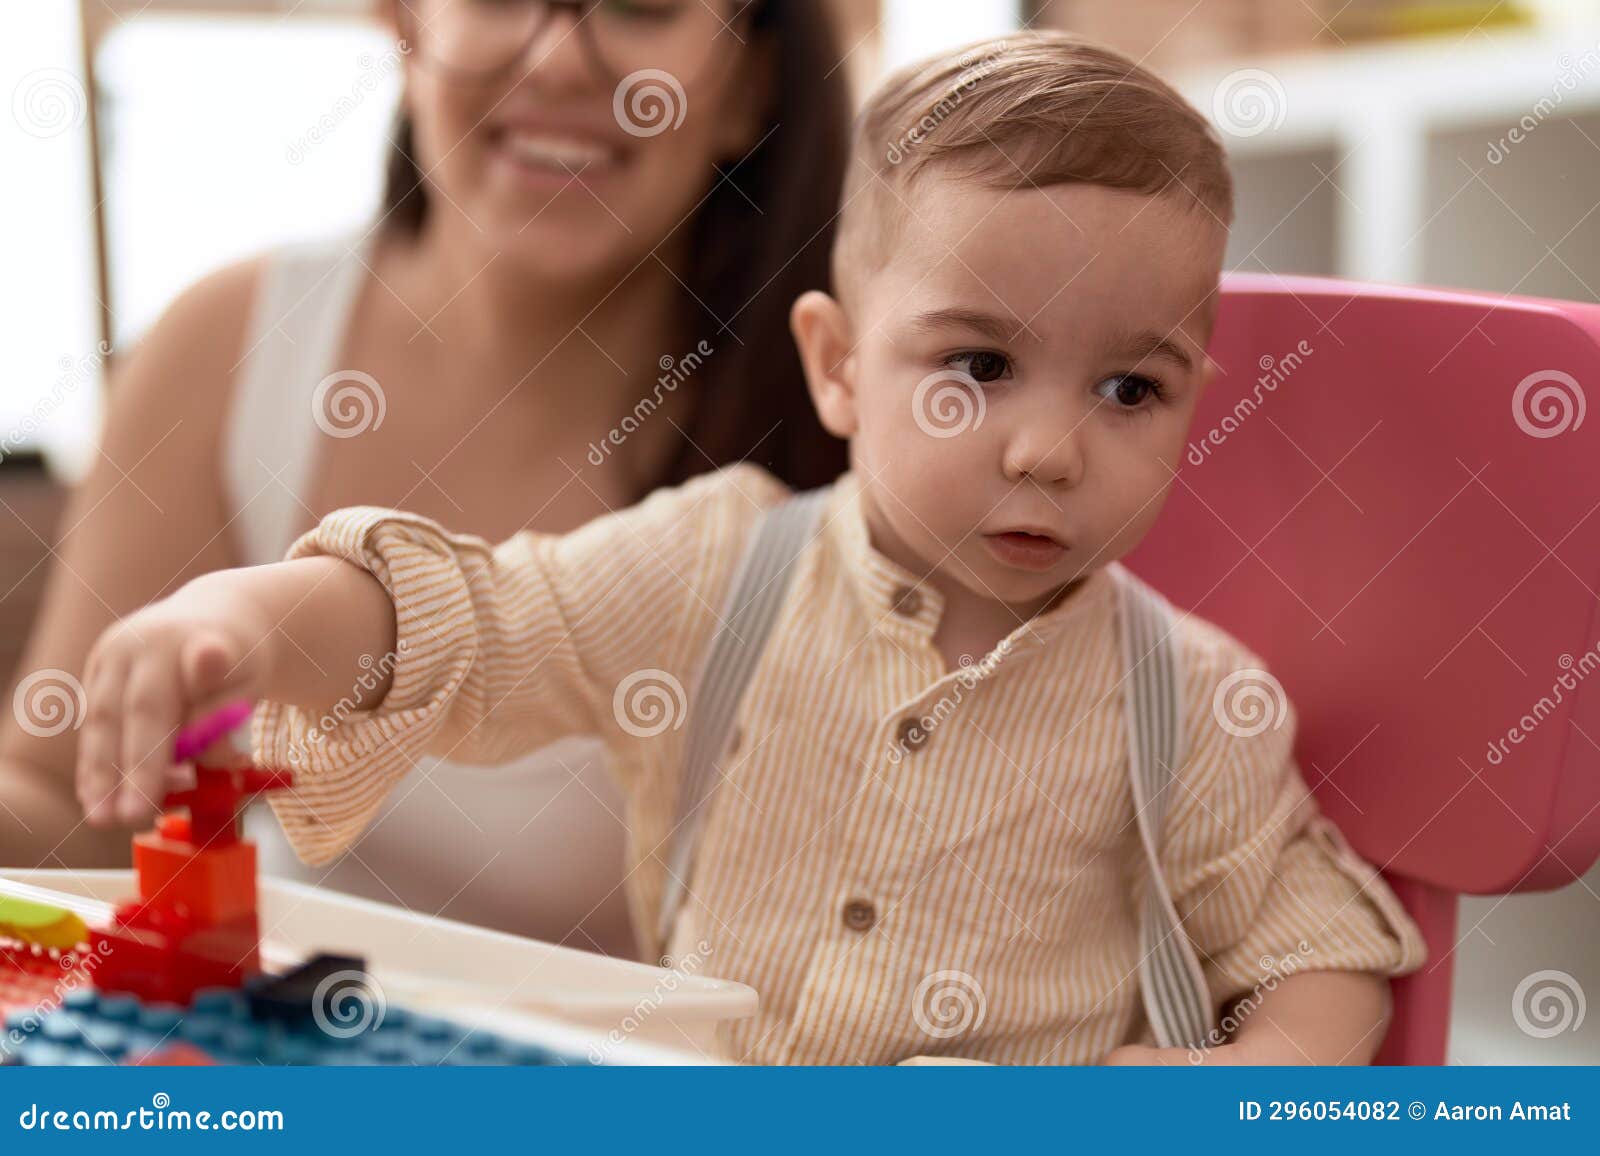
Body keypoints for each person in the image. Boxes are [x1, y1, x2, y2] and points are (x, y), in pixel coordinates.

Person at [73, 31, 1427, 1064]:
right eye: (979, 366)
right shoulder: (721, 565)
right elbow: (472, 625)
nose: (1048, 449)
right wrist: (257, 622)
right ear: (837, 369)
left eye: (1131, 389)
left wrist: (1237, 1085)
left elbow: (1317, 948)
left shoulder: (1190, 696)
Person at [1, 0, 849, 957]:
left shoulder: (860, 433)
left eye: (641, 6)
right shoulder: (229, 345)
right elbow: (70, 808)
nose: (561, 60)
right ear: (404, 29)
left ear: (751, 86)